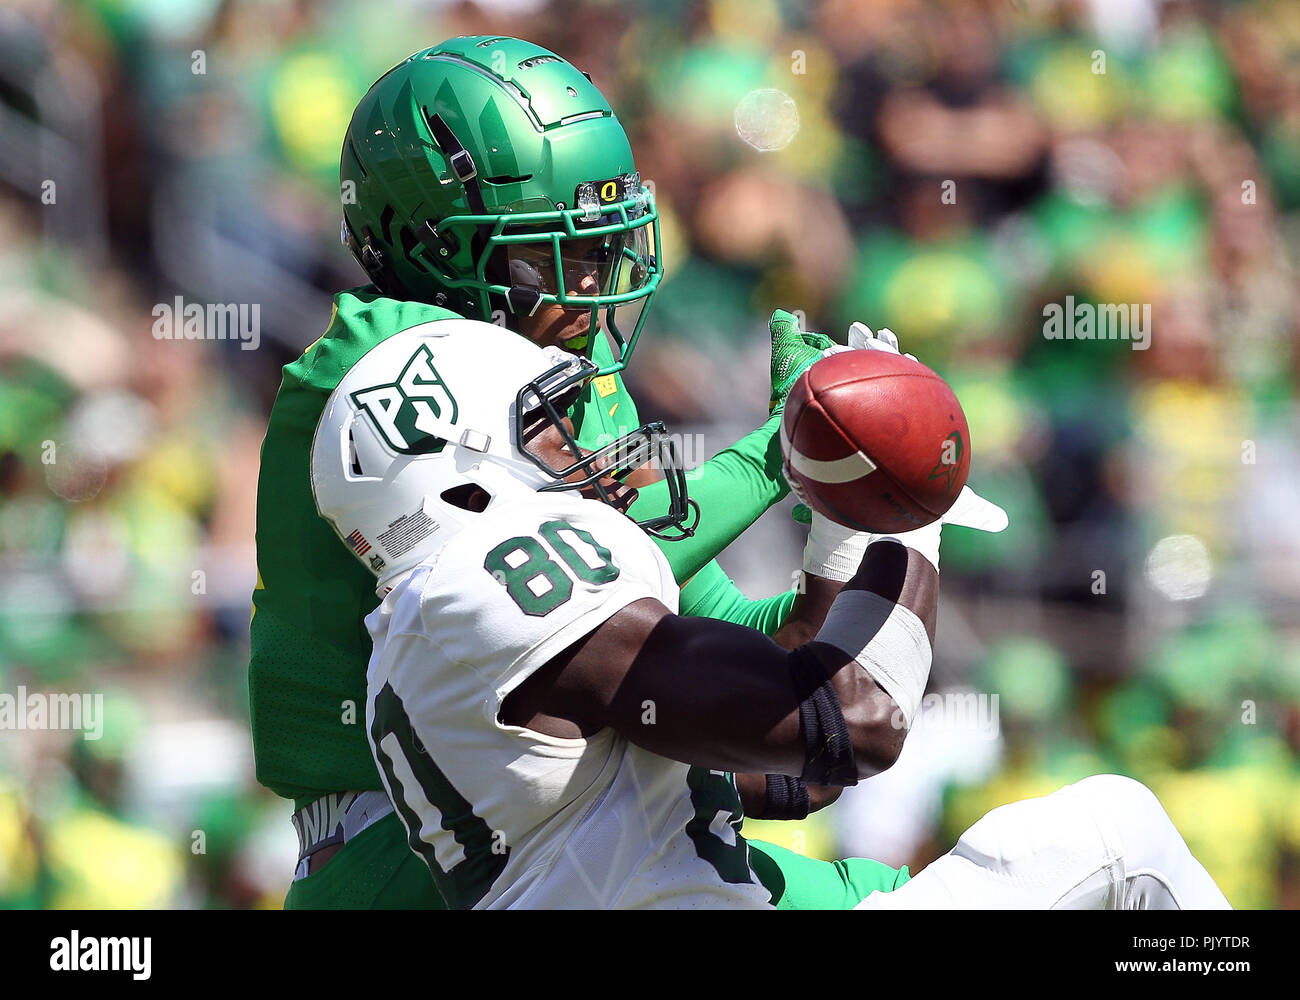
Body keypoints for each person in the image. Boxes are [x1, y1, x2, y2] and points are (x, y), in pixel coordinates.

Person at [252, 35, 892, 908]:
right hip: (415, 852)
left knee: (882, 890)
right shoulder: (374, 361)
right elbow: (570, 568)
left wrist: (853, 511)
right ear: (431, 245)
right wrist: (778, 454)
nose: (592, 282)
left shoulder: (571, 383)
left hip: (598, 814)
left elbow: (760, 656)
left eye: (600, 246)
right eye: (547, 252)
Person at [311, 318, 1231, 910]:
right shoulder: (487, 578)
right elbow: (856, 723)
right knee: (1118, 833)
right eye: (542, 428)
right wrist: (911, 509)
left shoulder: (443, 639)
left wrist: (842, 512)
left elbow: (804, 772)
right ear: (456, 473)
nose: (580, 448)